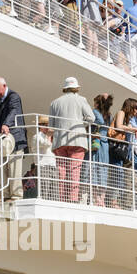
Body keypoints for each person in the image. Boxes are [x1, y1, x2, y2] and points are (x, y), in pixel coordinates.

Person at [48, 76, 95, 205]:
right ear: (76, 88)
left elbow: (51, 125)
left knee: (62, 170)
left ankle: (62, 198)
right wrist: (80, 125)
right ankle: (73, 198)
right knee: (75, 169)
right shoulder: (81, 100)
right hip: (77, 139)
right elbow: (91, 118)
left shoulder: (54, 103)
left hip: (59, 140)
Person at [0, 76, 28, 201]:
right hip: (1, 141)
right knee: (0, 167)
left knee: (14, 167)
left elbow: (14, 111)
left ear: (4, 86)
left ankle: (16, 196)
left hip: (14, 139)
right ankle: (5, 195)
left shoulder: (14, 97)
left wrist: (6, 124)